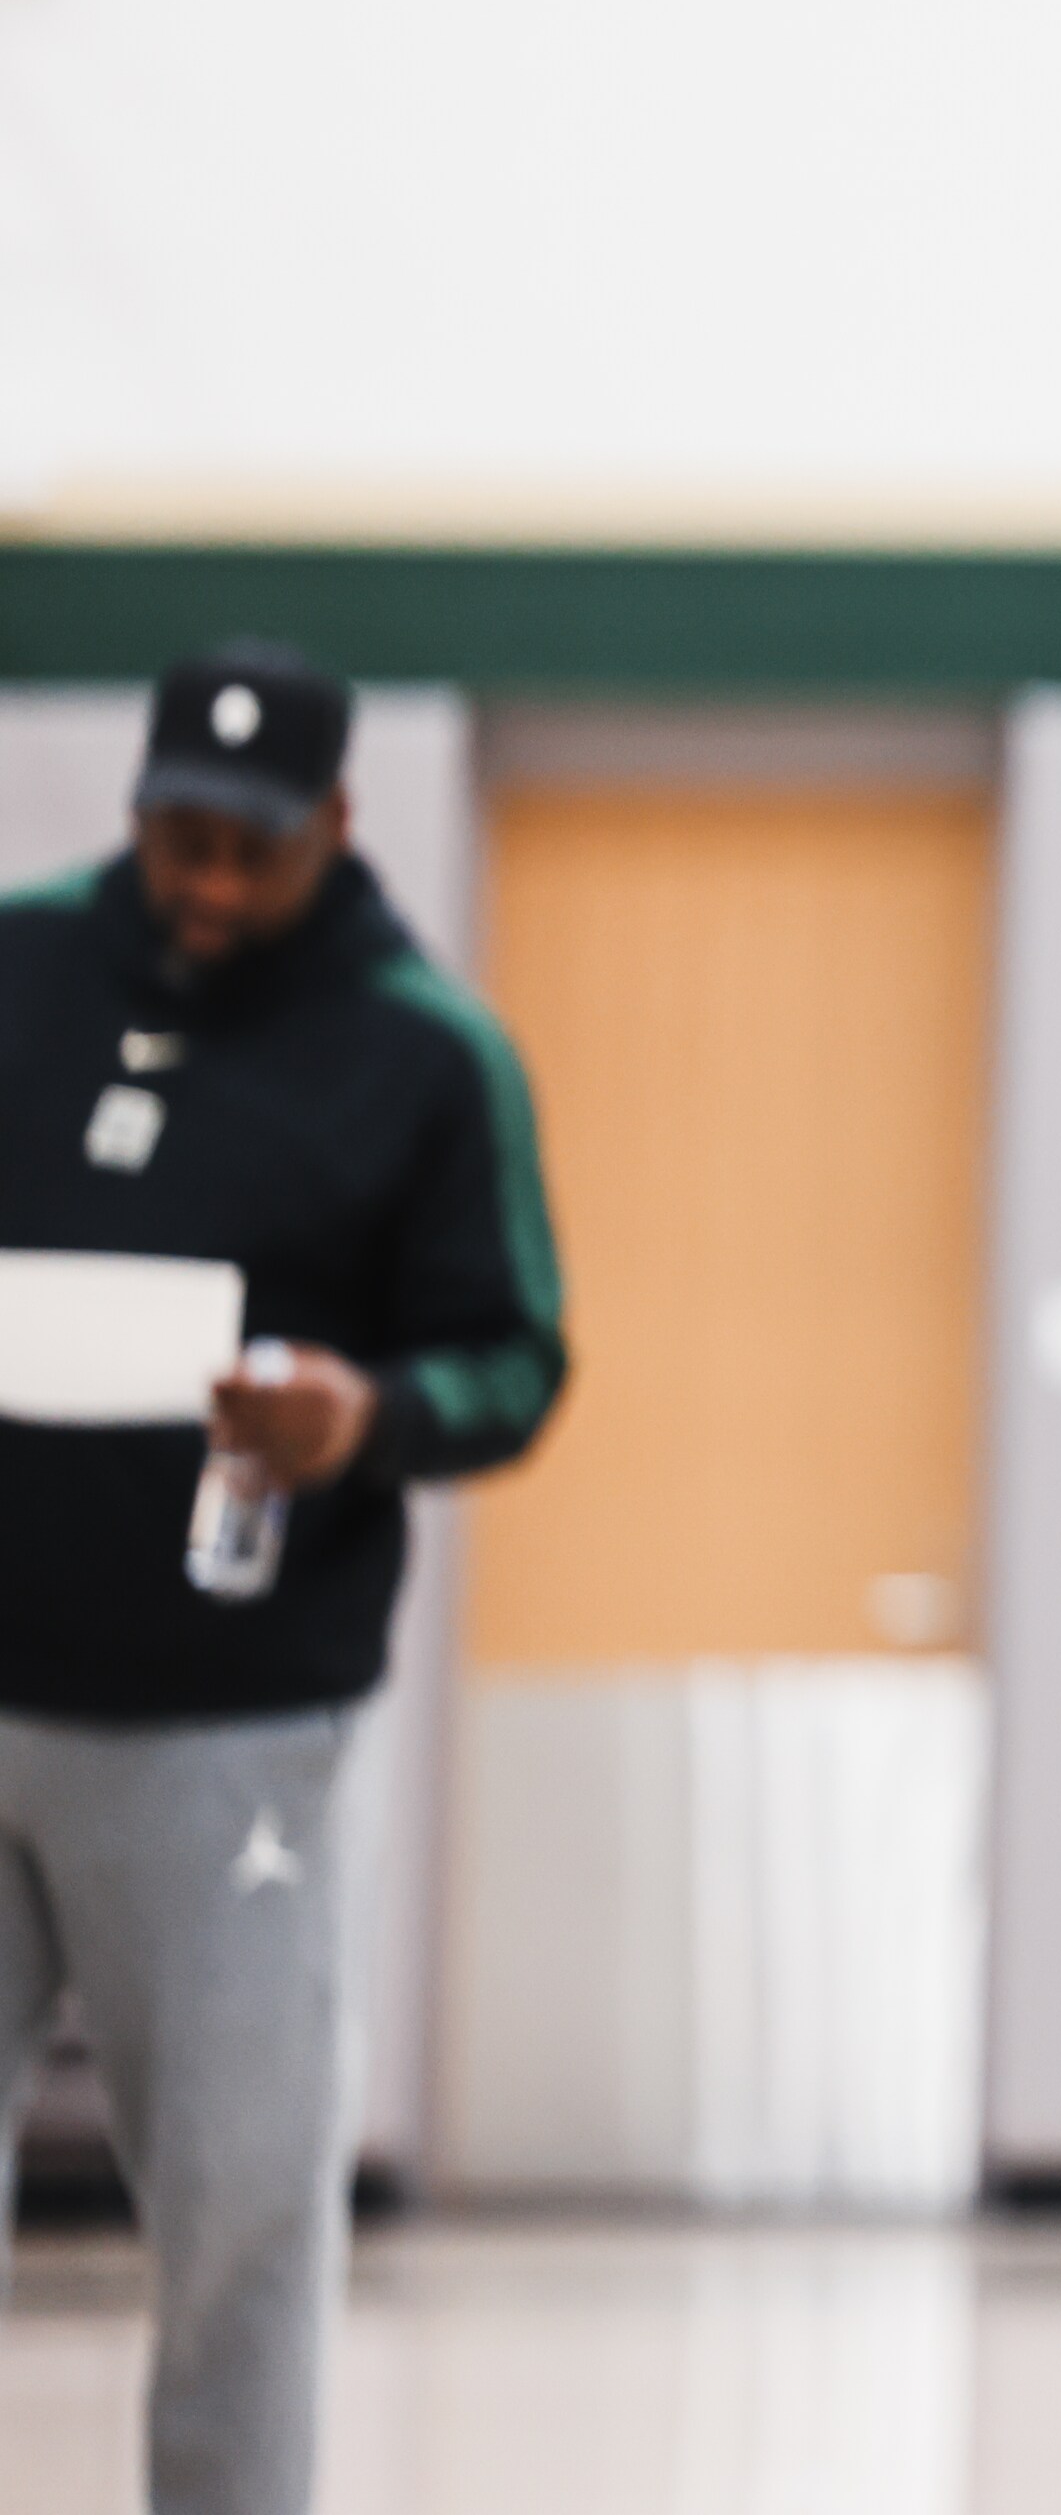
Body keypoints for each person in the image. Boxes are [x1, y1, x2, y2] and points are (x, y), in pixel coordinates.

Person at [0, 643, 571, 2515]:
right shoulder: (19, 963)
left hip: (230, 1742)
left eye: (251, 847)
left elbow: (515, 1359)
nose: (209, 882)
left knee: (238, 2222)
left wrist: (370, 1415)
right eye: (177, 838)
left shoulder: (427, 1050)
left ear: (335, 822)